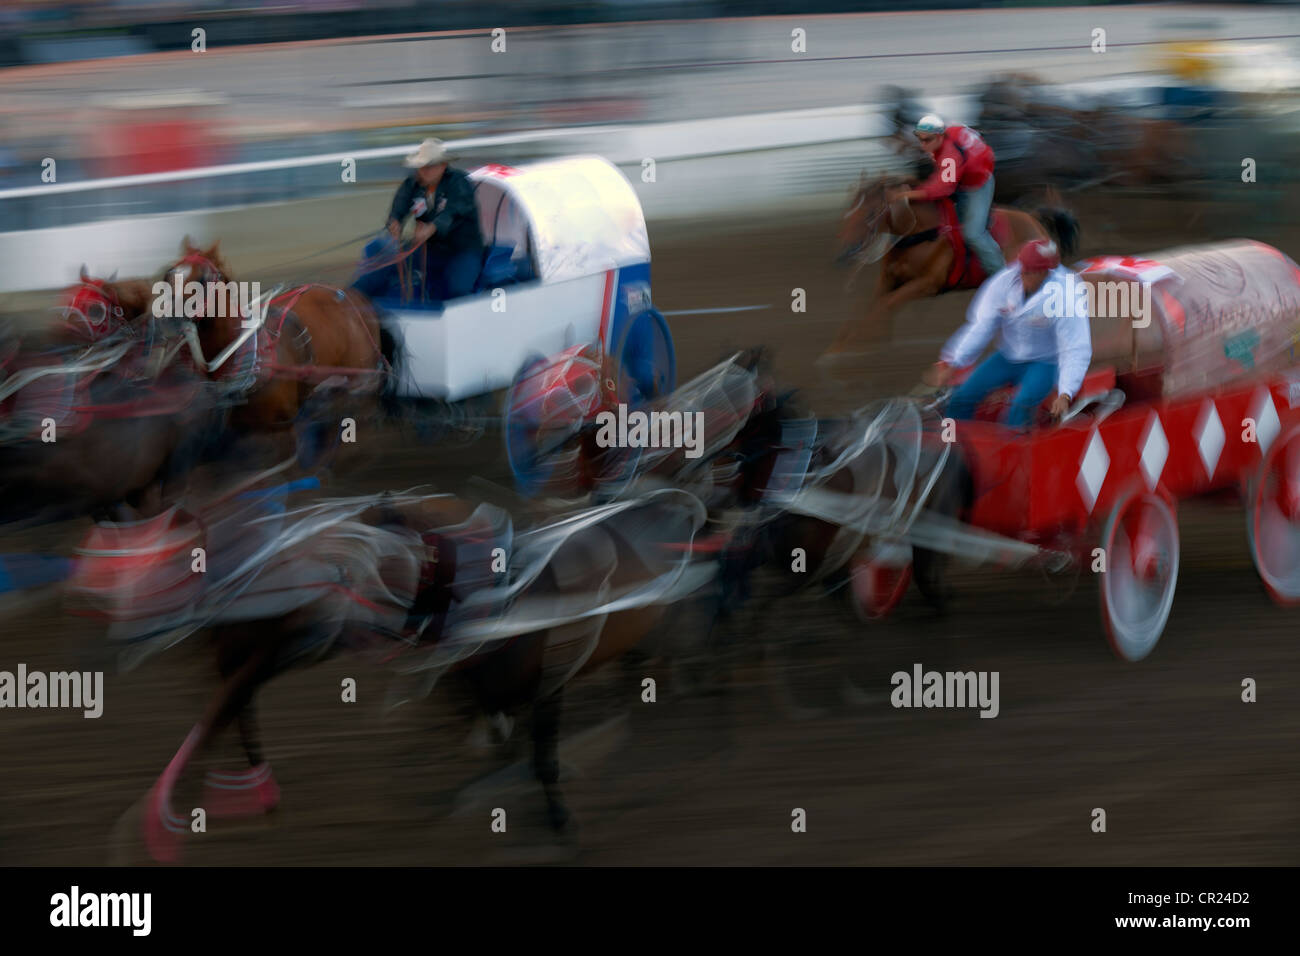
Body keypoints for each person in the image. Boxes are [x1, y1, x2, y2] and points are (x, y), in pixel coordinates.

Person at [925, 239, 1091, 428]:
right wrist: (953, 361)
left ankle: (1012, 452)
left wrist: (1066, 392)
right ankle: (952, 445)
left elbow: (1075, 346)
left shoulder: (1066, 294)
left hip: (1046, 362)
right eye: (1022, 269)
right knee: (962, 397)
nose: (1022, 275)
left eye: (1030, 272)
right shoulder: (1002, 283)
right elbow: (981, 326)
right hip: (1007, 356)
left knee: (1019, 407)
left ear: (1045, 272)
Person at [354, 138, 485, 302]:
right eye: (421, 167)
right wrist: (394, 223)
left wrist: (432, 228)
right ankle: (353, 298)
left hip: (462, 251)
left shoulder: (459, 182)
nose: (424, 171)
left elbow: (454, 210)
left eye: (430, 166)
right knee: (384, 260)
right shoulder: (412, 184)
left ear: (443, 166)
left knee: (457, 288)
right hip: (429, 249)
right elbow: (399, 207)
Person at [892, 114, 1003, 279]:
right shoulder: (948, 132)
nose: (923, 145)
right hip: (964, 175)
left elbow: (942, 189)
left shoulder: (950, 156)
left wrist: (908, 194)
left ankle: (1002, 275)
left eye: (927, 140)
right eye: (920, 139)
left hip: (977, 186)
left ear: (939, 136)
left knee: (973, 234)